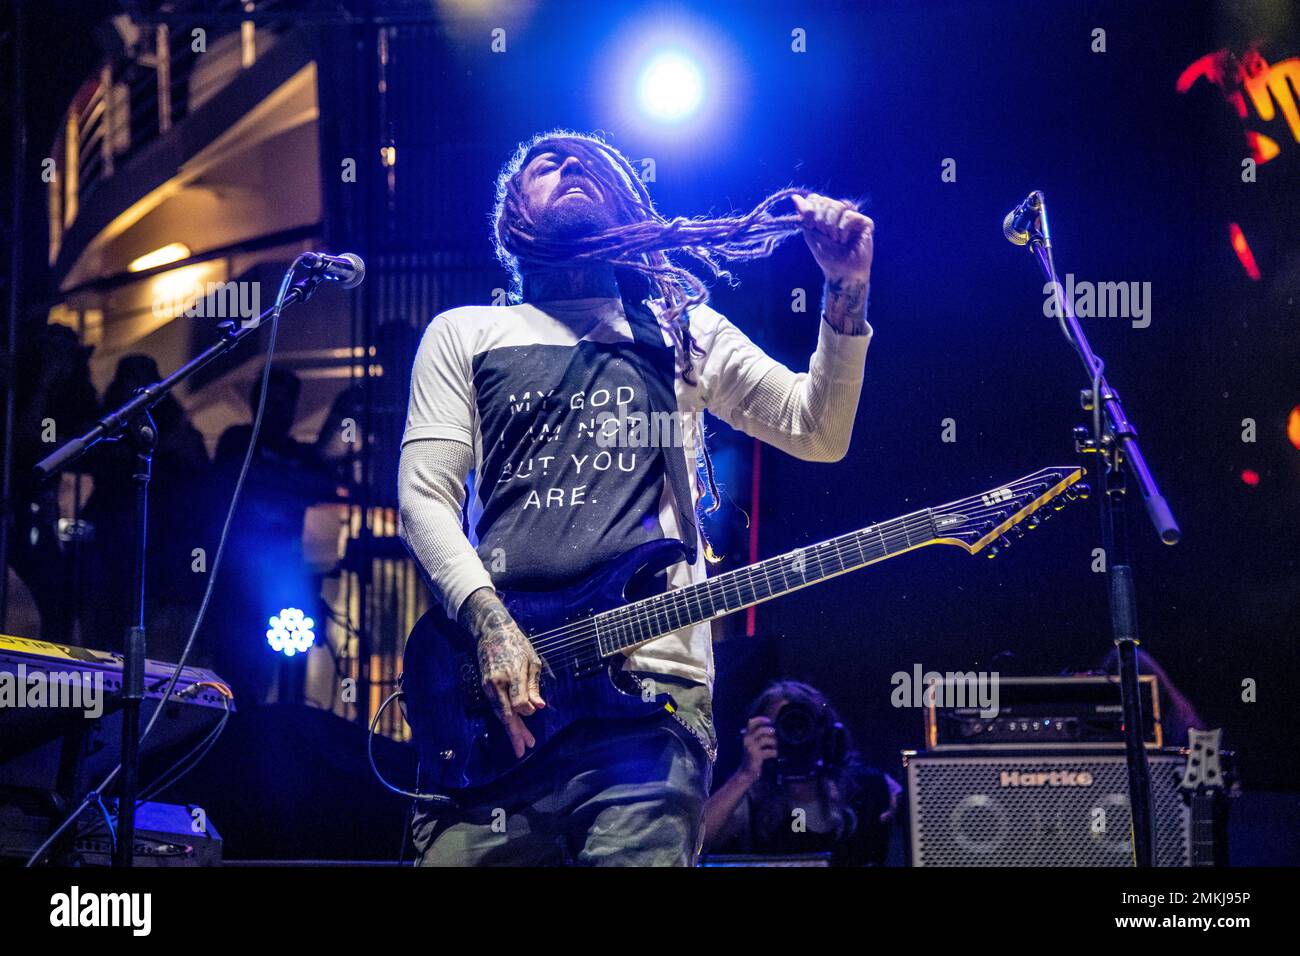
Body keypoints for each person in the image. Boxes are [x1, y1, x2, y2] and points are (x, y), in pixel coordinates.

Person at [398, 129, 875, 866]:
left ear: (627, 202)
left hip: (648, 701)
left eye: (588, 162)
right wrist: (489, 622)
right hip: (496, 700)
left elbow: (818, 432)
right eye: (544, 164)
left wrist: (844, 291)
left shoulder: (684, 333)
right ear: (511, 216)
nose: (568, 168)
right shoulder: (466, 332)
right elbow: (424, 496)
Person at [702, 680, 901, 866]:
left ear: (826, 732)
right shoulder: (750, 800)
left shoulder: (870, 790)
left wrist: (901, 813)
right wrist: (745, 775)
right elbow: (690, 842)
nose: (795, 735)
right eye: (783, 726)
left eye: (802, 724)